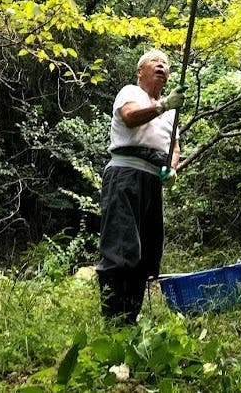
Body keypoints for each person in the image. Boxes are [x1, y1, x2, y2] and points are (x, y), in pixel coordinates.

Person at [96, 49, 185, 322]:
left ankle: (129, 318)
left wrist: (172, 167)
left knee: (147, 254)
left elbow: (174, 146)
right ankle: (114, 320)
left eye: (166, 63)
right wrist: (163, 105)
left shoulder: (172, 110)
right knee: (122, 248)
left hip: (151, 182)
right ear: (140, 71)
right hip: (125, 175)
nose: (162, 66)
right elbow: (129, 116)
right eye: (155, 61)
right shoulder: (130, 93)